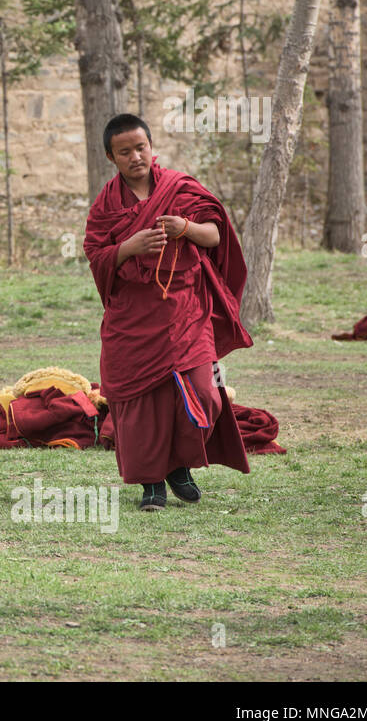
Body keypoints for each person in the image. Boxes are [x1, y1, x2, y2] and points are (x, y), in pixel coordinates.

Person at [83, 113, 252, 511]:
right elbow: (96, 254)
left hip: (185, 312)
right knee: (141, 407)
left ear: (151, 146)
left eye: (141, 147)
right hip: (132, 319)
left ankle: (178, 465)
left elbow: (216, 233)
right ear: (111, 156)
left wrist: (185, 227)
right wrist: (131, 247)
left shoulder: (180, 188)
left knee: (204, 394)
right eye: (125, 152)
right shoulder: (106, 205)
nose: (135, 157)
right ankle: (152, 484)